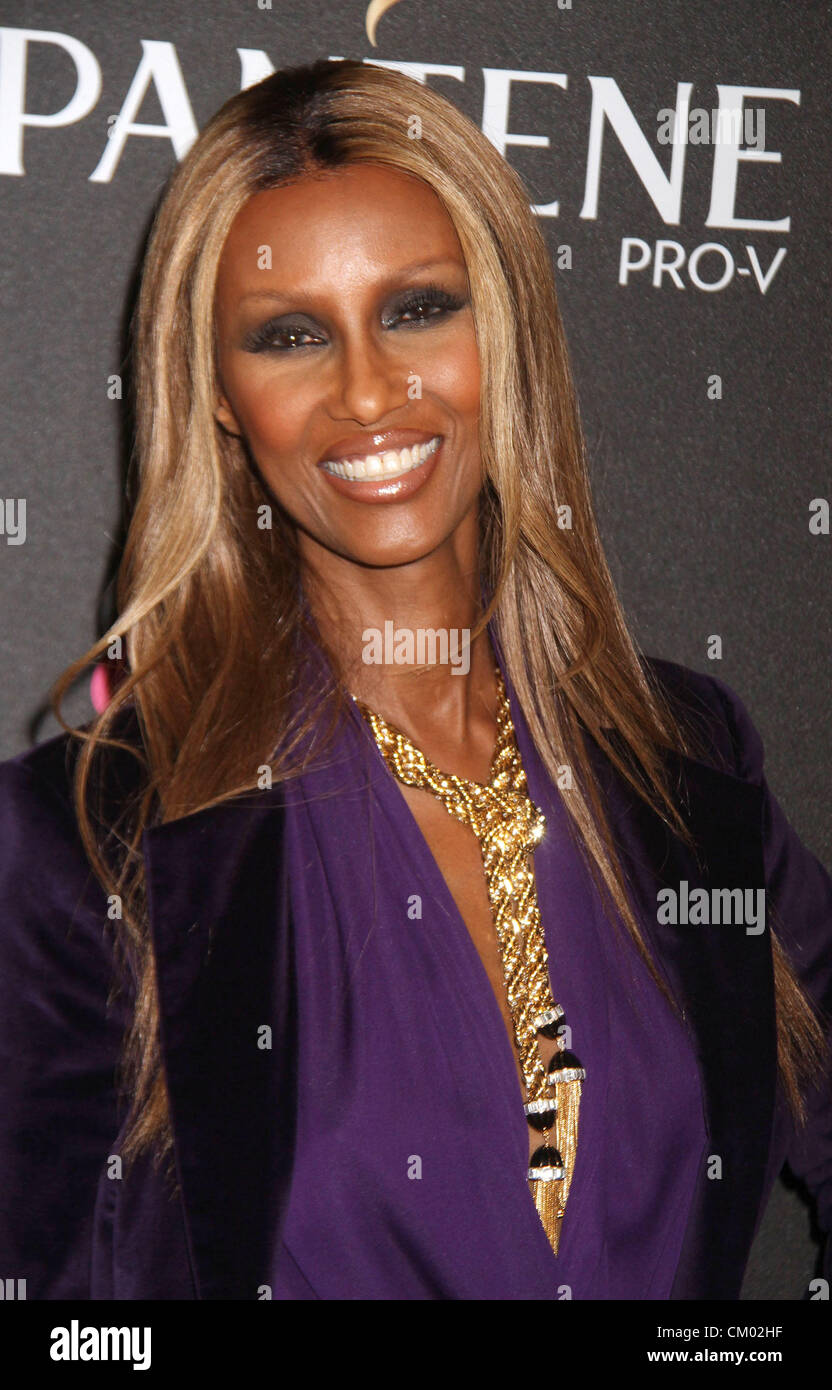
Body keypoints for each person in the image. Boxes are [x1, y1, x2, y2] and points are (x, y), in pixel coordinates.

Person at [0, 57, 830, 1302]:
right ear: (221, 401)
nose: (368, 391)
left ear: (502, 330)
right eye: (289, 336)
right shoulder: (90, 848)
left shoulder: (684, 759)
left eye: (417, 309)